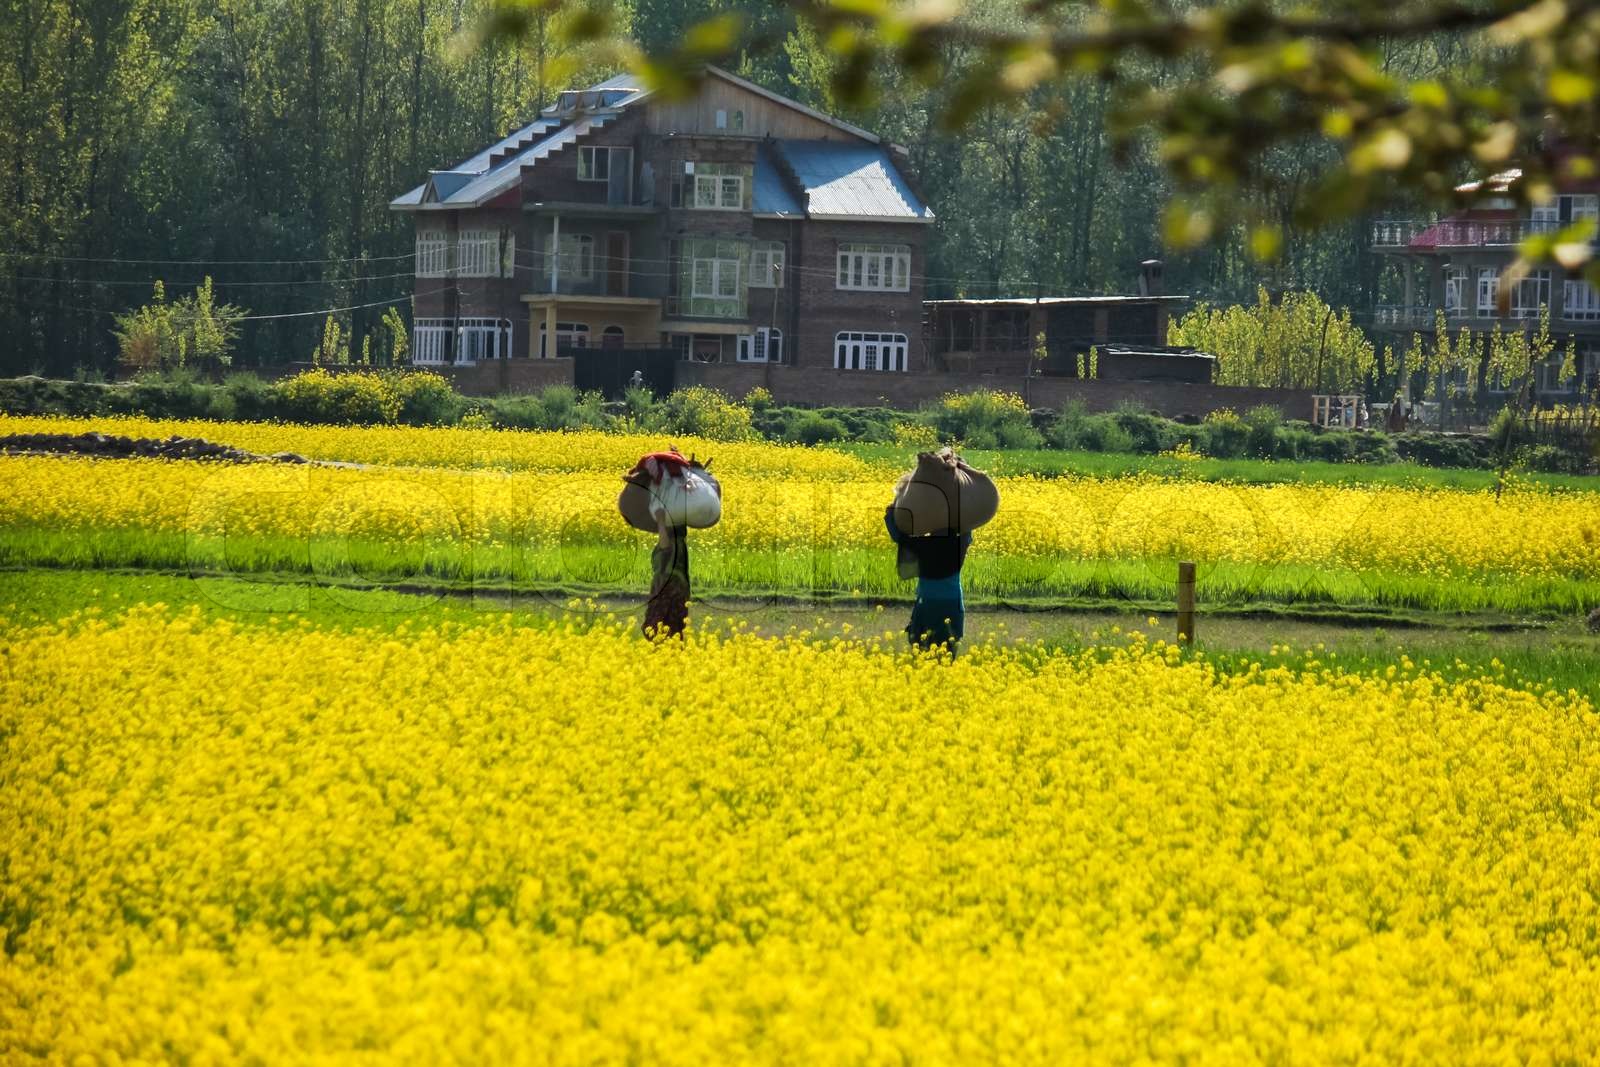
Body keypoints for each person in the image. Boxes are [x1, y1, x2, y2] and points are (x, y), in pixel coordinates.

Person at [884, 504, 972, 654]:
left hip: (927, 603)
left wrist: (891, 514)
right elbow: (968, 532)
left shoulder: (923, 544)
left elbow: (899, 537)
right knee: (948, 652)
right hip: (953, 603)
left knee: (921, 649)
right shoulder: (959, 544)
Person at [645, 510, 690, 639]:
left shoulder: (672, 543)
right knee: (675, 626)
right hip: (680, 588)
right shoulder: (681, 544)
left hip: (667, 587)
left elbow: (665, 547)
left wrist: (660, 519)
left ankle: (661, 652)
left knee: (657, 624)